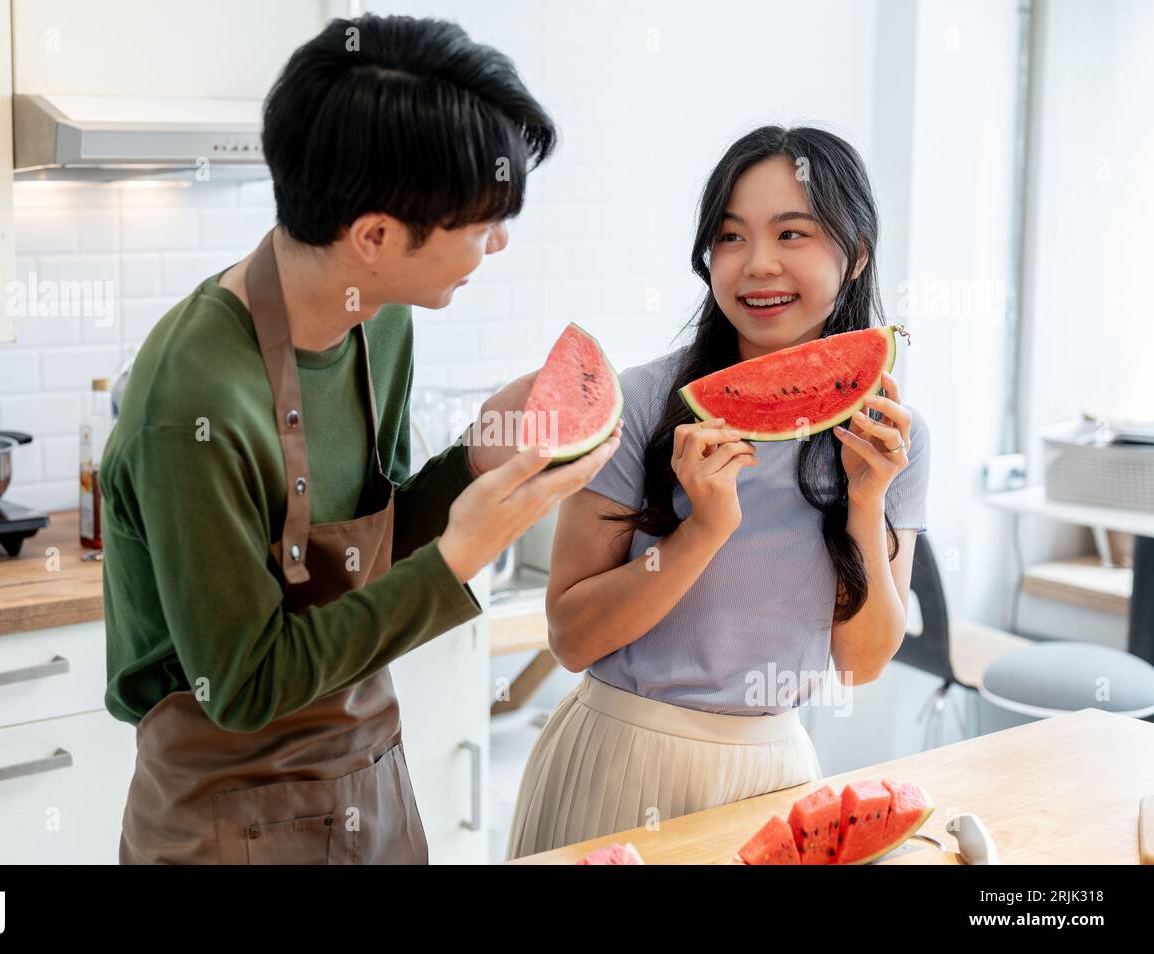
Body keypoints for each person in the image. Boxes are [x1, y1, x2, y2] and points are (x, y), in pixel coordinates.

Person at [101, 13, 620, 864]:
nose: (498, 243)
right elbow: (244, 685)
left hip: (369, 783)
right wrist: (458, 558)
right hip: (223, 822)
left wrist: (479, 455)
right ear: (374, 237)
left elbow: (368, 554)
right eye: (482, 222)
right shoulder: (193, 401)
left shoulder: (379, 323)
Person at [506, 125, 931, 859]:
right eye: (730, 238)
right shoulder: (640, 402)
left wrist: (865, 504)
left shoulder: (891, 435)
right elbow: (572, 638)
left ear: (855, 252)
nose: (757, 265)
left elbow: (859, 665)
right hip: (619, 759)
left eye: (791, 233)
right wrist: (700, 531)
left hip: (775, 774)